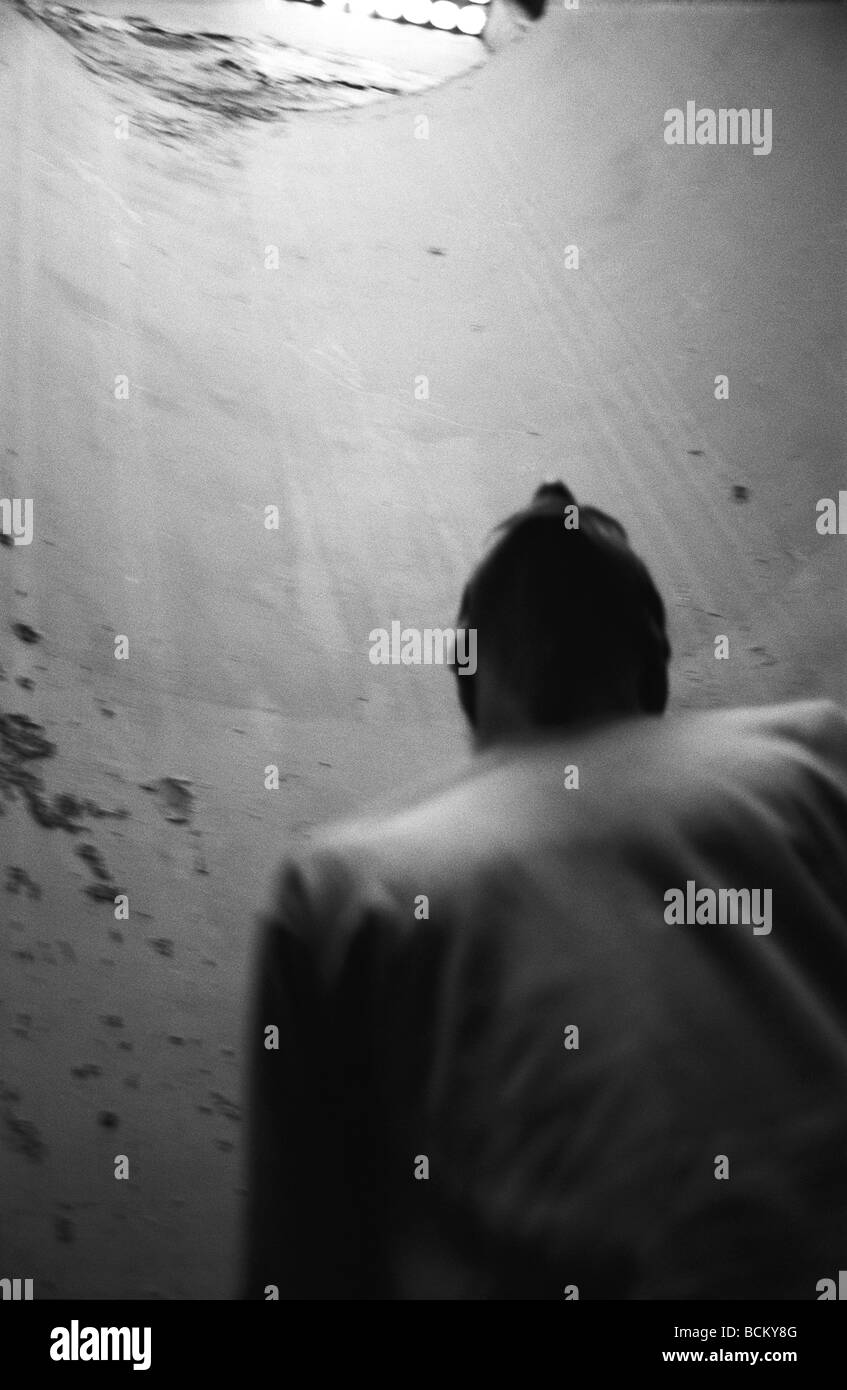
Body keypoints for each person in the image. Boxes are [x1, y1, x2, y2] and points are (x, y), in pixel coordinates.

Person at [241, 481, 847, 1300]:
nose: (551, 494)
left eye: (588, 518)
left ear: (656, 654)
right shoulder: (330, 888)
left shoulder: (818, 751)